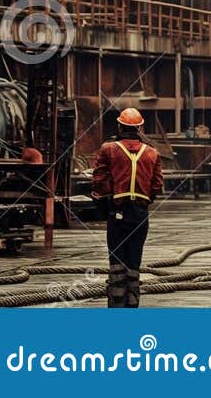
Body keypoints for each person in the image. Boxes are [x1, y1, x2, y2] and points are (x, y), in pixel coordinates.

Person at [90, 108, 163, 308]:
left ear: (120, 126)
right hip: (139, 213)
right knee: (134, 261)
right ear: (140, 128)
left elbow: (99, 180)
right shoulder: (152, 153)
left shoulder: (108, 149)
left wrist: (105, 204)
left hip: (117, 210)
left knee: (117, 261)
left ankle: (116, 304)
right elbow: (157, 186)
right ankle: (132, 304)